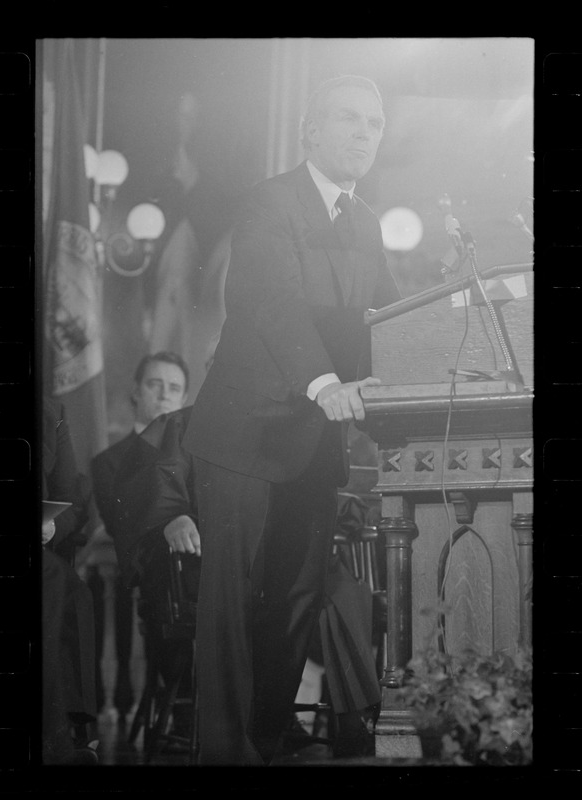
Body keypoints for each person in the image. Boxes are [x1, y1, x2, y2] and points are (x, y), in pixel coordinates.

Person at [182, 74, 401, 765]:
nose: (364, 133)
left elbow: (387, 322)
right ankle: (221, 760)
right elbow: (269, 298)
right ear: (311, 131)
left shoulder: (367, 224)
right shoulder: (270, 201)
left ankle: (266, 749)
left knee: (293, 610)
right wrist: (325, 380)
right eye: (349, 119)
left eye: (375, 123)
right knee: (230, 620)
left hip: (311, 450)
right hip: (243, 441)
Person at [91, 351, 190, 719]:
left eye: (174, 388)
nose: (164, 395)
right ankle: (183, 711)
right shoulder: (108, 462)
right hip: (153, 572)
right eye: (155, 384)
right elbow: (122, 526)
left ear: (183, 399)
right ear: (136, 392)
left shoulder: (192, 454)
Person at [42, 397, 98, 764]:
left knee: (74, 590)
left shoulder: (52, 412)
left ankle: (76, 726)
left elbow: (72, 501)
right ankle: (53, 738)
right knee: (51, 577)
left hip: (38, 545)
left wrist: (52, 526)